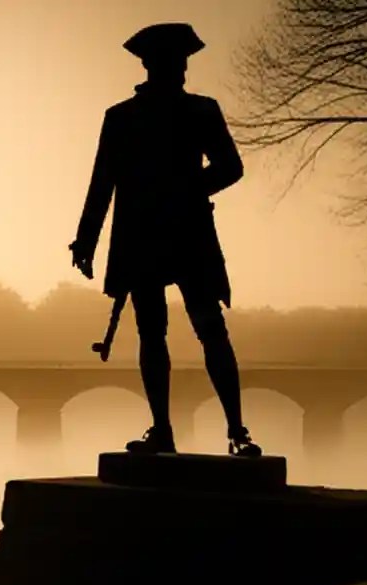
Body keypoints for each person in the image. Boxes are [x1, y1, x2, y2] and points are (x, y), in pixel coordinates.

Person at [69, 22, 261, 457]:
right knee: (162, 331)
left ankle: (231, 429)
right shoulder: (131, 117)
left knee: (204, 328)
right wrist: (85, 240)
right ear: (158, 65)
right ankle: (174, 430)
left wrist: (185, 189)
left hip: (169, 231)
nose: (180, 69)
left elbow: (231, 166)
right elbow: (103, 182)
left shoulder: (180, 113)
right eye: (175, 62)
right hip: (164, 232)